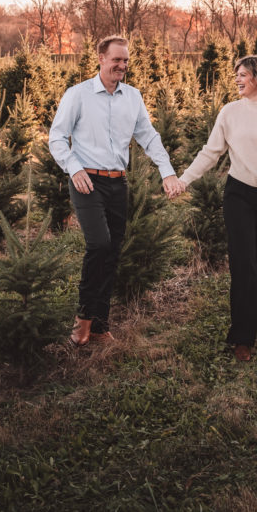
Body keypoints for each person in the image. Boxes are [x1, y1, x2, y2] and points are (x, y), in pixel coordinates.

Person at [49, 34, 182, 347]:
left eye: (125, 60)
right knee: (99, 244)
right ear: (101, 58)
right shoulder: (78, 94)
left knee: (112, 252)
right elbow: (57, 137)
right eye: (116, 59)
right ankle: (82, 320)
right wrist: (74, 167)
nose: (121, 65)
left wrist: (168, 172)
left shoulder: (132, 97)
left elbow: (148, 137)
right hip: (86, 181)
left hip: (117, 182)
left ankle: (100, 326)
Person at [178, 55, 257, 362]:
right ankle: (243, 337)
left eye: (243, 74)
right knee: (244, 264)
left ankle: (254, 314)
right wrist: (184, 180)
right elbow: (211, 152)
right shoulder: (230, 112)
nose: (237, 79)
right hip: (240, 194)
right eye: (236, 74)